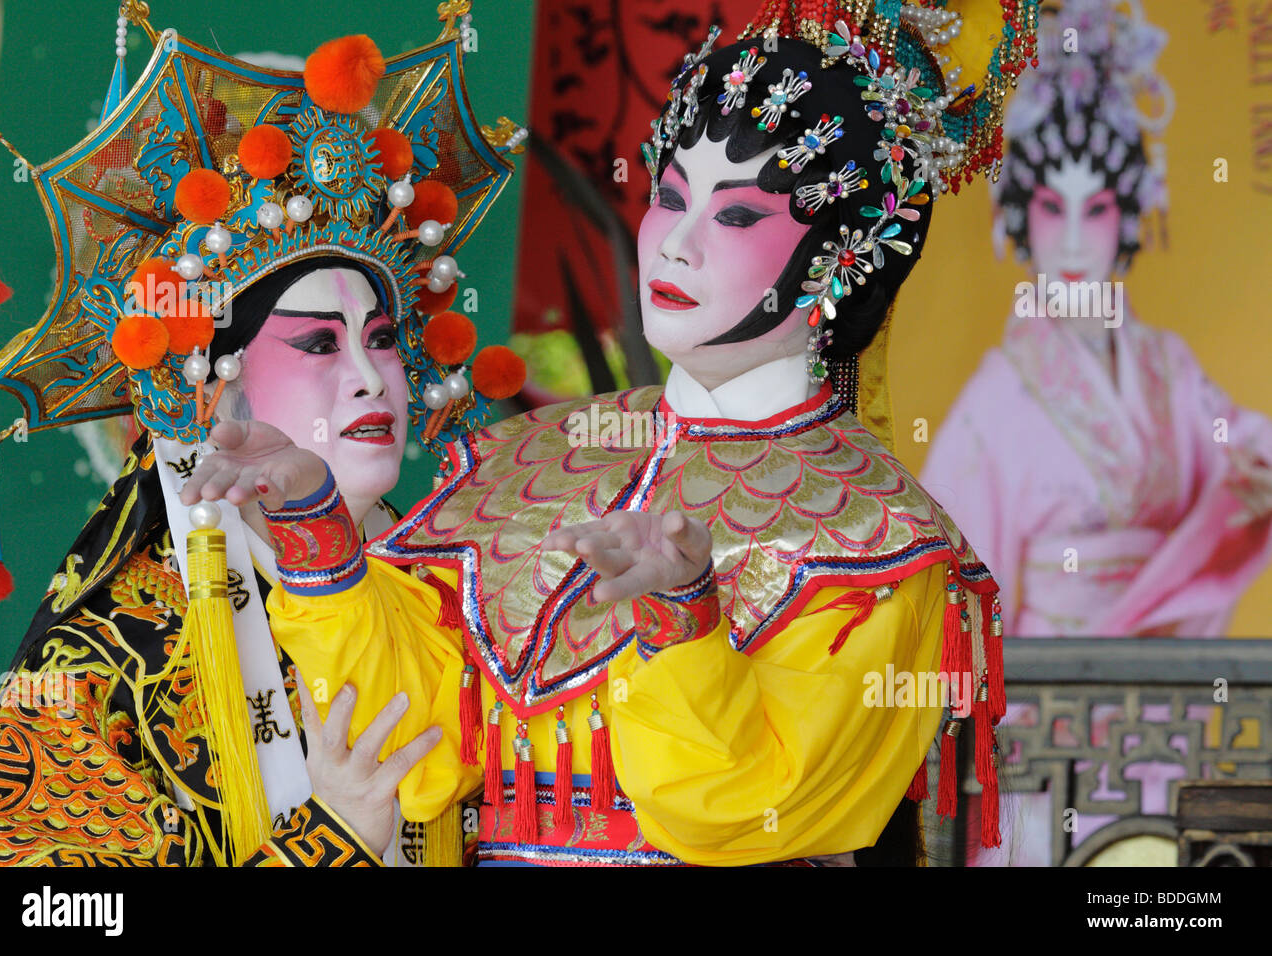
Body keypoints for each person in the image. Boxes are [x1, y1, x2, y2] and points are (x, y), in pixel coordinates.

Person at [212, 1, 1041, 865]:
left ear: (843, 254)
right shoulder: (531, 456)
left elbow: (730, 809)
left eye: (736, 215)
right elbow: (409, 750)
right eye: (670, 196)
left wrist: (684, 620)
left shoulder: (875, 541)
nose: (675, 244)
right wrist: (314, 523)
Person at [0, 12, 531, 865]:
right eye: (317, 343)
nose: (368, 377)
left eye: (383, 337)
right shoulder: (105, 652)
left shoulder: (469, 597)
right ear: (213, 381)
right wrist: (328, 839)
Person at [921, 0, 1272, 638]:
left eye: (1100, 207)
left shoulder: (1169, 368)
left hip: (1168, 690)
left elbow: (1242, 443)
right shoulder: (994, 404)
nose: (1077, 240)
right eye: (1055, 208)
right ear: (1021, 218)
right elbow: (954, 595)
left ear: (1129, 216)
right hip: (1051, 702)